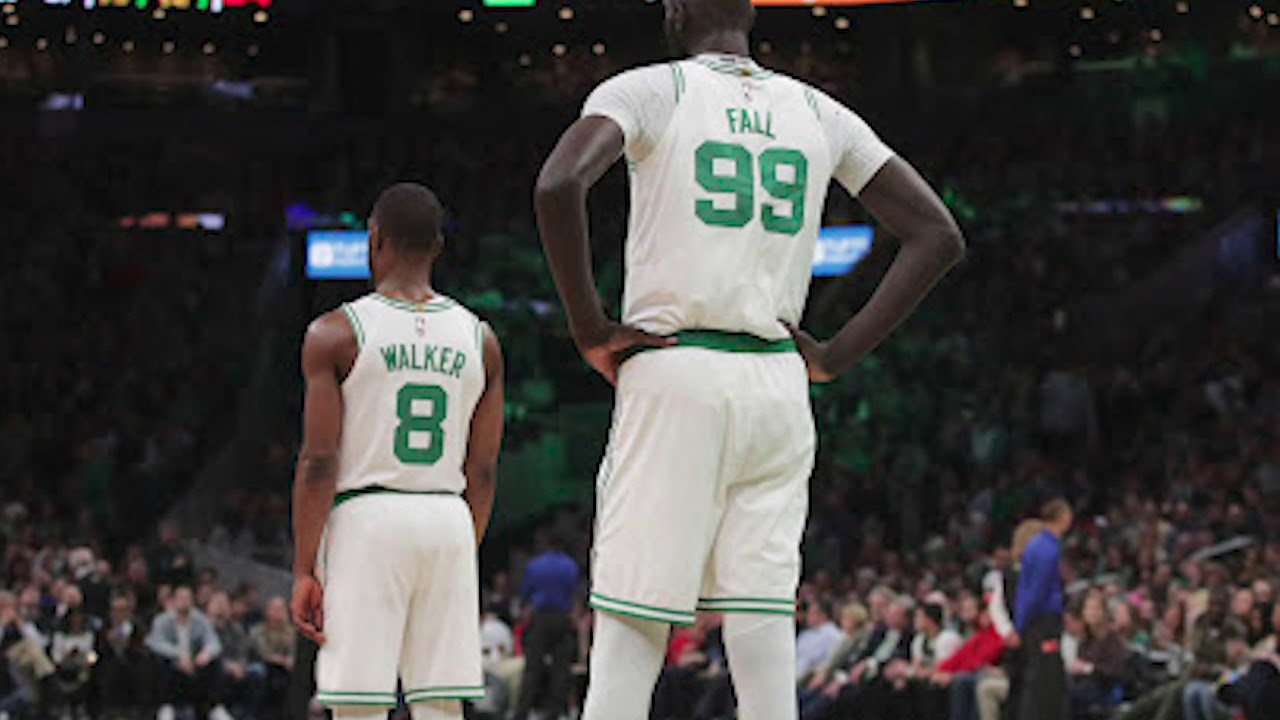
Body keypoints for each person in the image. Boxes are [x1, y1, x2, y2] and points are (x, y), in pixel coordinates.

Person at [533, 0, 965, 716]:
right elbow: (937, 235)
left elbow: (558, 183)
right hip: (776, 383)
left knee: (633, 619)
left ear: (676, 12)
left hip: (678, 366)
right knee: (762, 627)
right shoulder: (818, 110)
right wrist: (831, 356)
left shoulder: (649, 89)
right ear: (753, 13)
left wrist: (589, 328)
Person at [290, 183, 505, 720]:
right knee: (440, 704)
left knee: (358, 705)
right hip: (448, 517)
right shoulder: (481, 339)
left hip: (368, 518)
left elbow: (318, 462)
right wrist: (463, 543)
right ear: (437, 245)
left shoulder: (334, 333)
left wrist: (303, 567)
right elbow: (481, 469)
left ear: (374, 240)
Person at [1013, 500, 1073, 720]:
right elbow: (1037, 589)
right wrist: (1024, 623)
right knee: (1043, 675)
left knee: (1044, 673)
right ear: (1063, 517)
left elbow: (1026, 589)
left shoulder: (1038, 545)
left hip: (1038, 619)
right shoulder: (1047, 549)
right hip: (1044, 621)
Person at [513, 532, 580, 720]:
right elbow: (574, 592)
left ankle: (522, 712)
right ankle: (555, 712)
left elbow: (526, 591)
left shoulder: (536, 565)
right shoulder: (570, 565)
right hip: (562, 617)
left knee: (533, 667)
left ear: (546, 544)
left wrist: (522, 607)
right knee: (561, 668)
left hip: (541, 617)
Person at [146, 585, 230, 720]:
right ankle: (166, 708)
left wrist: (206, 653)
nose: (184, 601)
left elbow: (214, 642)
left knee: (215, 662)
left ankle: (214, 708)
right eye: (181, 598)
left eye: (187, 598)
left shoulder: (201, 620)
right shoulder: (162, 620)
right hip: (172, 665)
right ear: (173, 601)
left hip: (194, 664)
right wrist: (178, 654)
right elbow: (155, 642)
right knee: (157, 662)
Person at [250, 597, 296, 720]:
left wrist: (289, 660)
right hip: (265, 666)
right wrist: (281, 660)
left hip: (286, 670)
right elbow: (262, 652)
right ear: (267, 611)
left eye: (281, 609)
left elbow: (294, 652)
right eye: (275, 609)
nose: (278, 612)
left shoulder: (291, 632)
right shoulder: (258, 631)